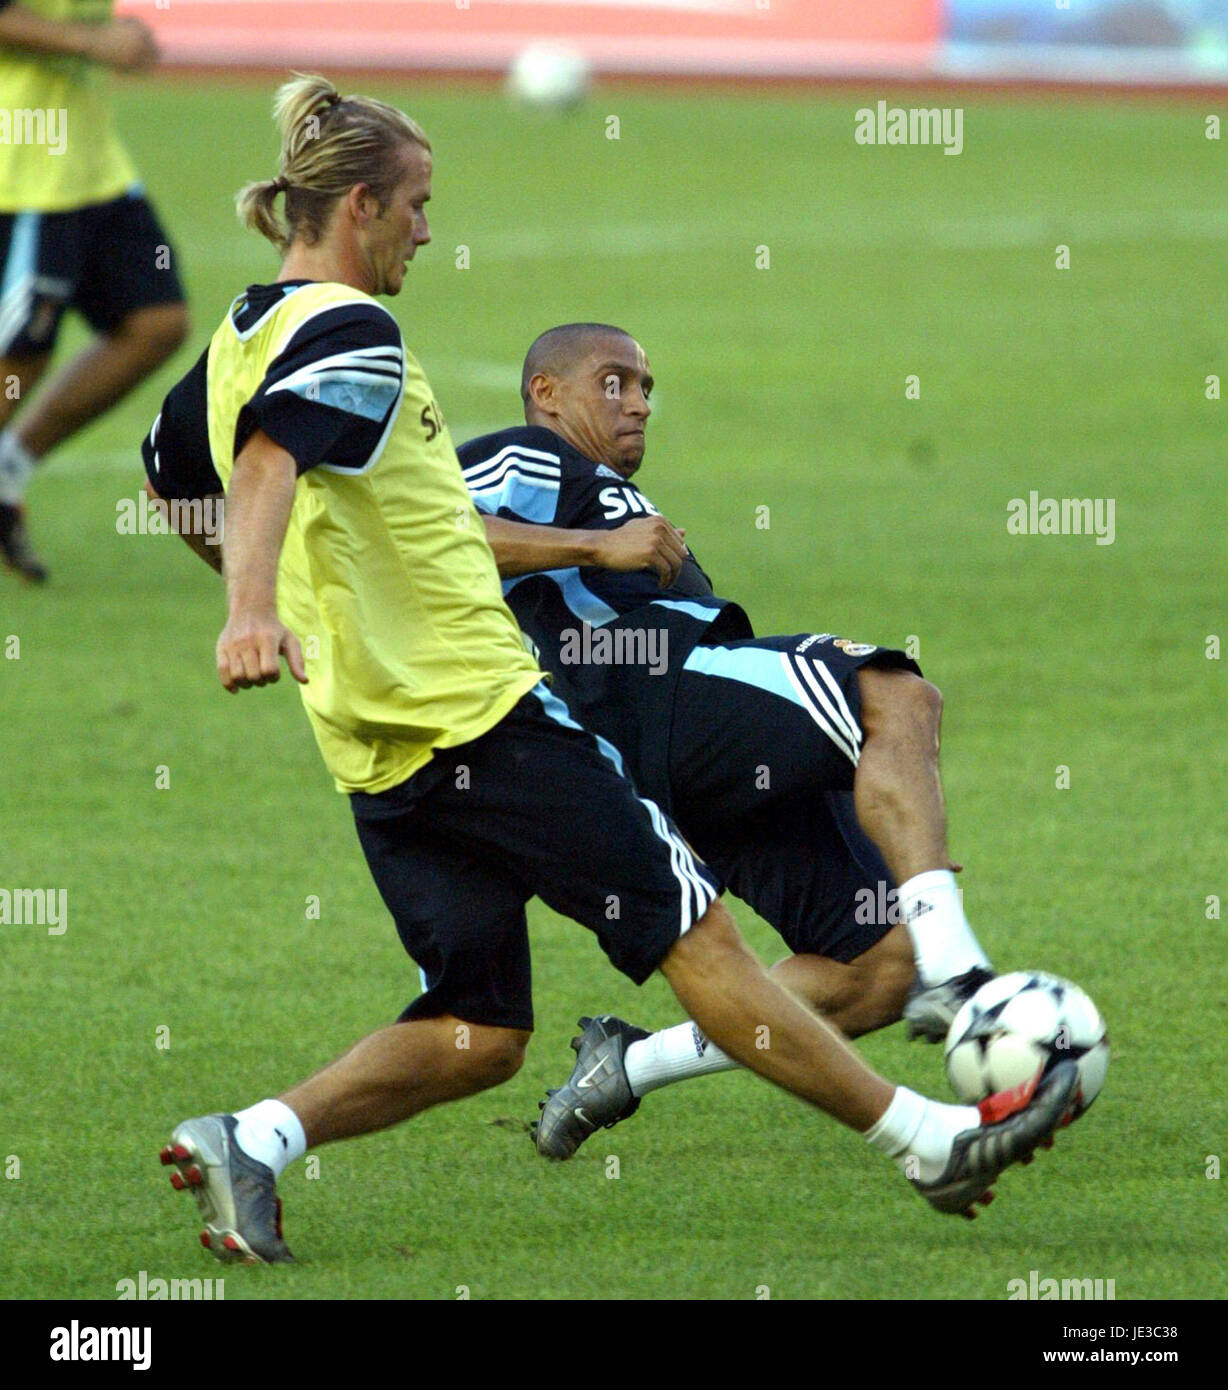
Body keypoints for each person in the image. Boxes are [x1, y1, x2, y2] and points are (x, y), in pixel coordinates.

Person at [145, 77, 1074, 1262]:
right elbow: (268, 461)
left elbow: (178, 477)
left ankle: (253, 1138)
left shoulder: (236, 337)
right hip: (485, 717)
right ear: (361, 204)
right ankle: (927, 1138)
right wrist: (249, 608)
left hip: (375, 749)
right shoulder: (350, 329)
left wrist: (299, 611)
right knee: (701, 939)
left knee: (479, 1032)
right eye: (418, 206)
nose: (428, 232)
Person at [456, 324, 997, 1158]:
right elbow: (427, 536)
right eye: (614, 382)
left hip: (678, 757)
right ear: (546, 393)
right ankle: (962, 971)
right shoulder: (526, 456)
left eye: (645, 387)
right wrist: (599, 544)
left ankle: (630, 1064)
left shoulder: (590, 484)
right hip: (660, 692)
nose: (638, 402)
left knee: (879, 965)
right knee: (896, 694)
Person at [0, 0, 189, 580]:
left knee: (158, 322)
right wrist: (93, 43)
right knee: (20, 357)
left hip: (93, 170)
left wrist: (117, 35)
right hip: (21, 172)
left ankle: (7, 470)